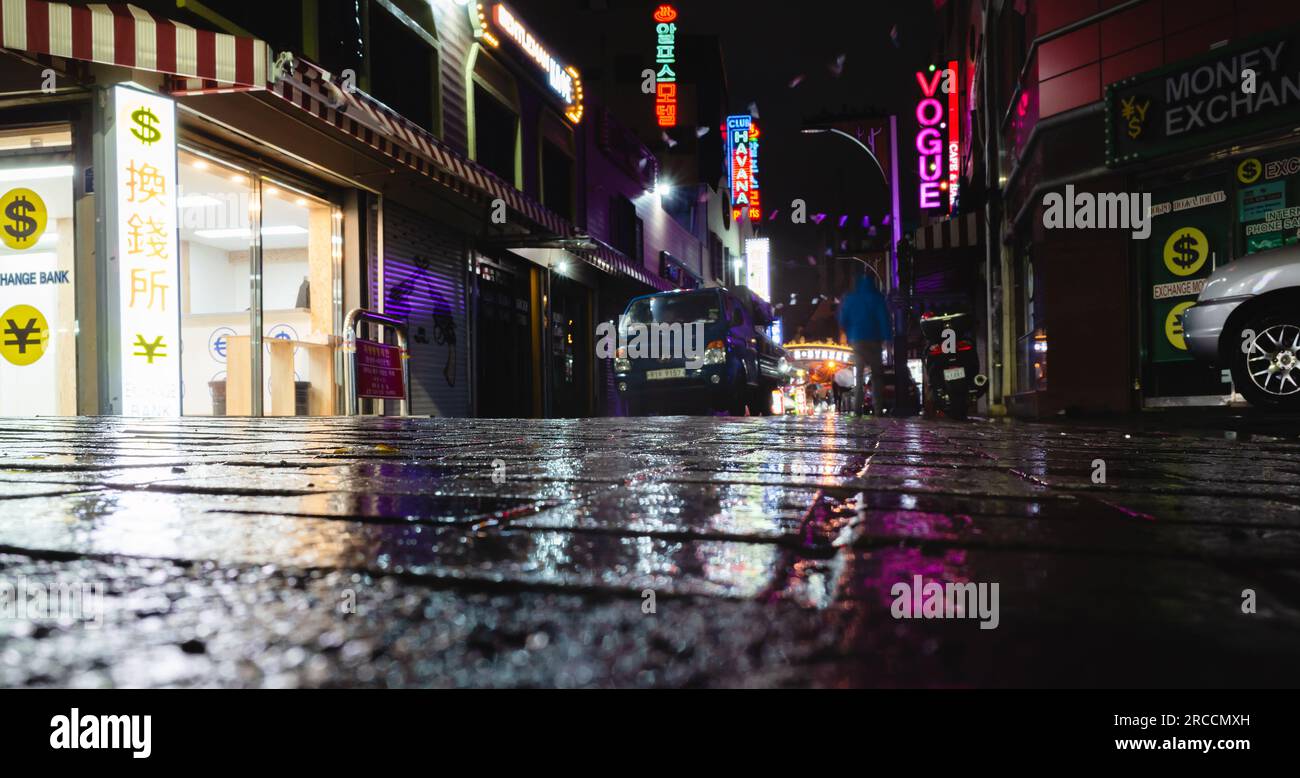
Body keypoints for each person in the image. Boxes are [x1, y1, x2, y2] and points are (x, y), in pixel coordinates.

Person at [837, 272, 892, 416]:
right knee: (877, 375)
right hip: (874, 340)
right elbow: (883, 319)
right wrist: (887, 338)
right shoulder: (877, 298)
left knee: (859, 376)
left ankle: (857, 409)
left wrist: (849, 333)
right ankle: (878, 408)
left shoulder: (851, 298)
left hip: (857, 340)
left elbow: (843, 319)